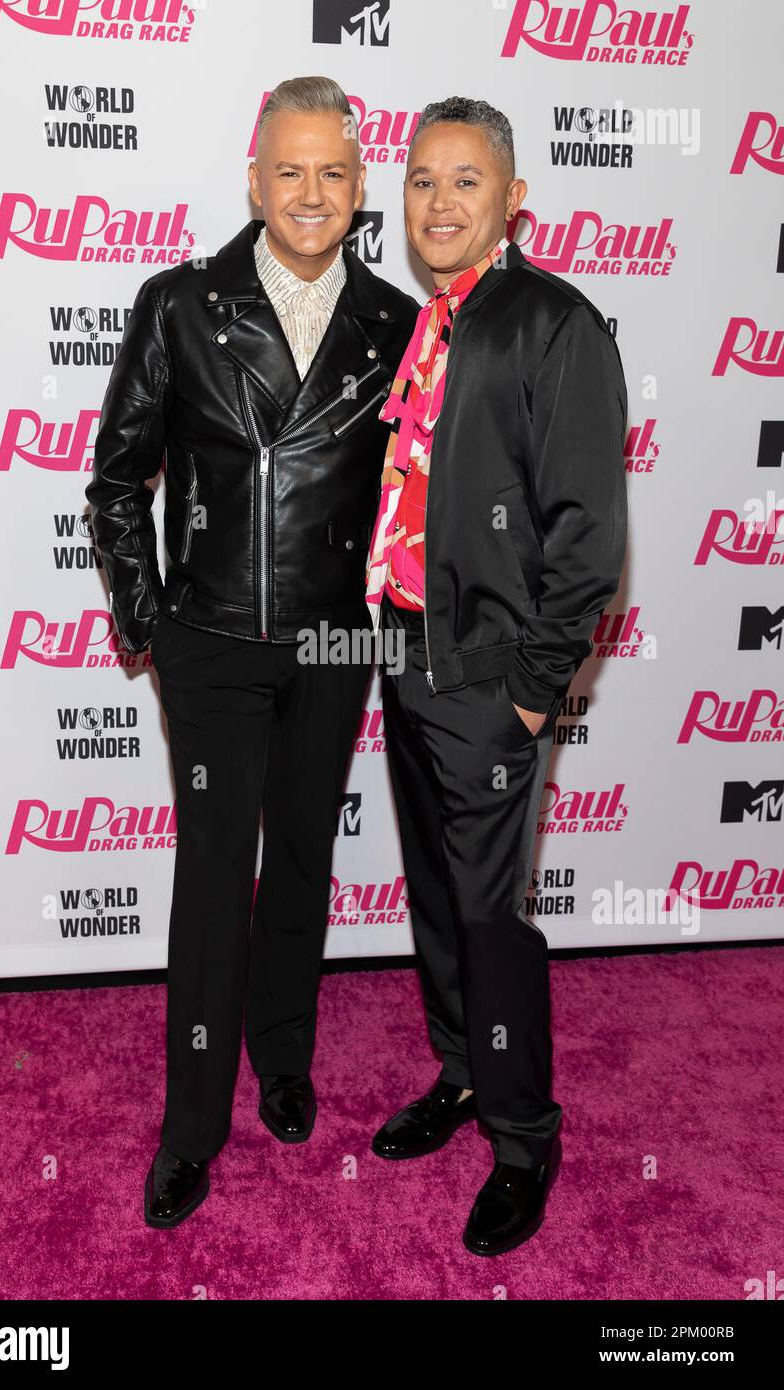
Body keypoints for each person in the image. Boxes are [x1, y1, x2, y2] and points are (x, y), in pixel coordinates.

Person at [86, 76, 418, 1229]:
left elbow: (420, 498)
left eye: (333, 172)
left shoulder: (395, 322)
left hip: (332, 641)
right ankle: (190, 1124)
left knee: (305, 860)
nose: (311, 194)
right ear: (253, 175)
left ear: (360, 183)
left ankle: (282, 1057)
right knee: (212, 877)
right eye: (290, 170)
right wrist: (153, 623)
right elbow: (116, 476)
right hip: (215, 640)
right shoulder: (179, 303)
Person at [365, 97, 628, 1256]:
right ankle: (464, 1075)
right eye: (422, 179)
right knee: (436, 897)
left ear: (512, 200)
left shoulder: (552, 324)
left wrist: (529, 691)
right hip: (404, 654)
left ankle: (524, 1136)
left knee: (489, 918)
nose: (438, 201)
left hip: (488, 684)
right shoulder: (431, 321)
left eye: (465, 181)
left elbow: (585, 539)